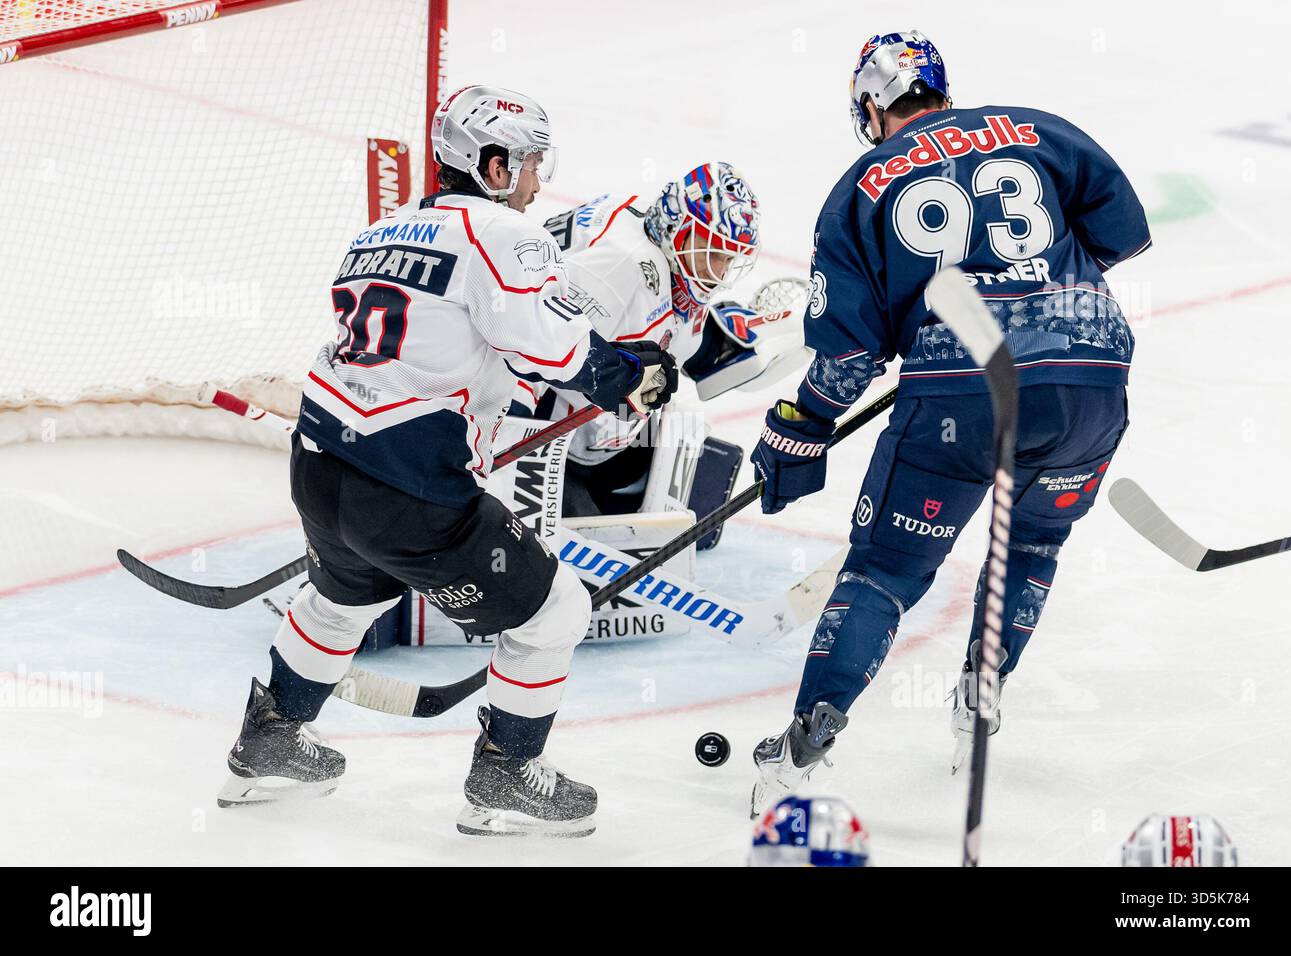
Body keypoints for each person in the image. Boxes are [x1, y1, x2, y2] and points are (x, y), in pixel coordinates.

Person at [217, 84, 679, 839]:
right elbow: (553, 348)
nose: (536, 181)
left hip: (318, 464)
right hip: (409, 489)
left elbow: (453, 341)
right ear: (492, 166)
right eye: (528, 163)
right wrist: (634, 372)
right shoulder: (503, 232)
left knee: (341, 601)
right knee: (555, 609)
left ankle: (269, 739)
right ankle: (503, 775)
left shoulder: (380, 229)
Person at [747, 31, 1151, 813]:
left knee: (884, 573)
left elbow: (847, 361)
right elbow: (1116, 236)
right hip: (1094, 374)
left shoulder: (861, 185)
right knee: (1032, 542)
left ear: (871, 105)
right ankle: (980, 700)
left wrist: (799, 427)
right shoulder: (1039, 129)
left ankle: (799, 754)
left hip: (964, 395)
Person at [512, 163, 795, 522]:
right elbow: (525, 346)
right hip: (549, 456)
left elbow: (668, 331)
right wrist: (505, 466)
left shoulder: (666, 255)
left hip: (604, 444)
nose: (721, 272)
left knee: (683, 454)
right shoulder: (621, 268)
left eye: (729, 257)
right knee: (574, 572)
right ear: (680, 228)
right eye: (715, 252)